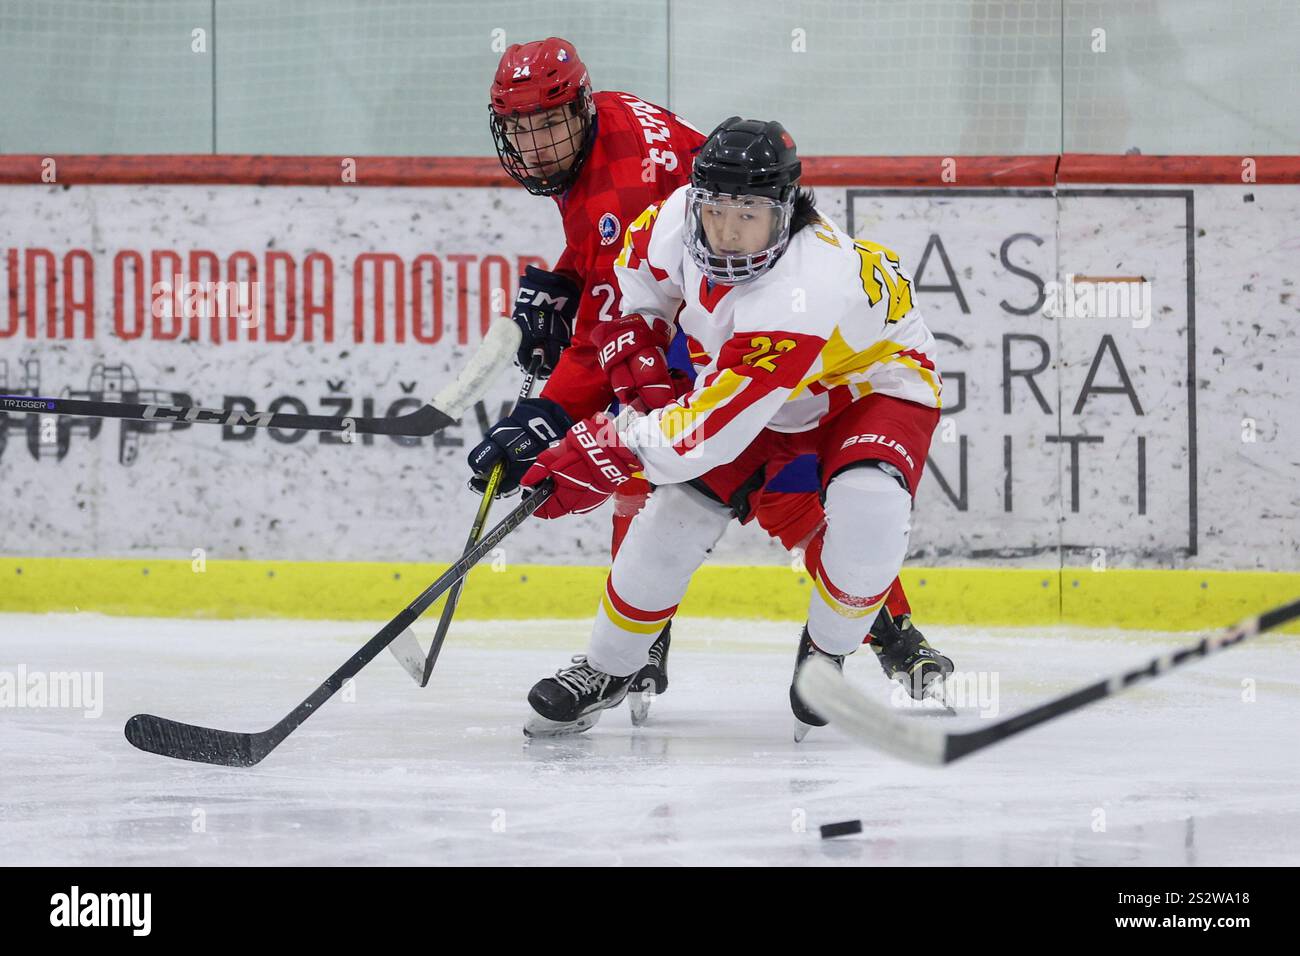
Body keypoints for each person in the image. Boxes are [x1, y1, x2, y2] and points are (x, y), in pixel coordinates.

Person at [517, 117, 956, 739]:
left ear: (787, 210)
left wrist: (604, 448)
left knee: (871, 505)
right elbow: (636, 281)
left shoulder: (806, 283)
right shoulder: (673, 219)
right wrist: (641, 333)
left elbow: (702, 438)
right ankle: (609, 668)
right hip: (760, 390)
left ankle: (827, 654)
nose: (726, 231)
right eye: (716, 208)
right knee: (673, 520)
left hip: (865, 387)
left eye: (749, 212)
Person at [468, 39, 825, 719]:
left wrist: (539, 418)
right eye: (522, 131)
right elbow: (606, 252)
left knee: (746, 482)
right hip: (710, 299)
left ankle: (871, 632)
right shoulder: (603, 126)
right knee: (651, 463)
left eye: (550, 125)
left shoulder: (622, 179)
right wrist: (562, 280)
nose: (538, 147)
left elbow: (616, 322)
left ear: (578, 107)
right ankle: (637, 650)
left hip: (750, 318)